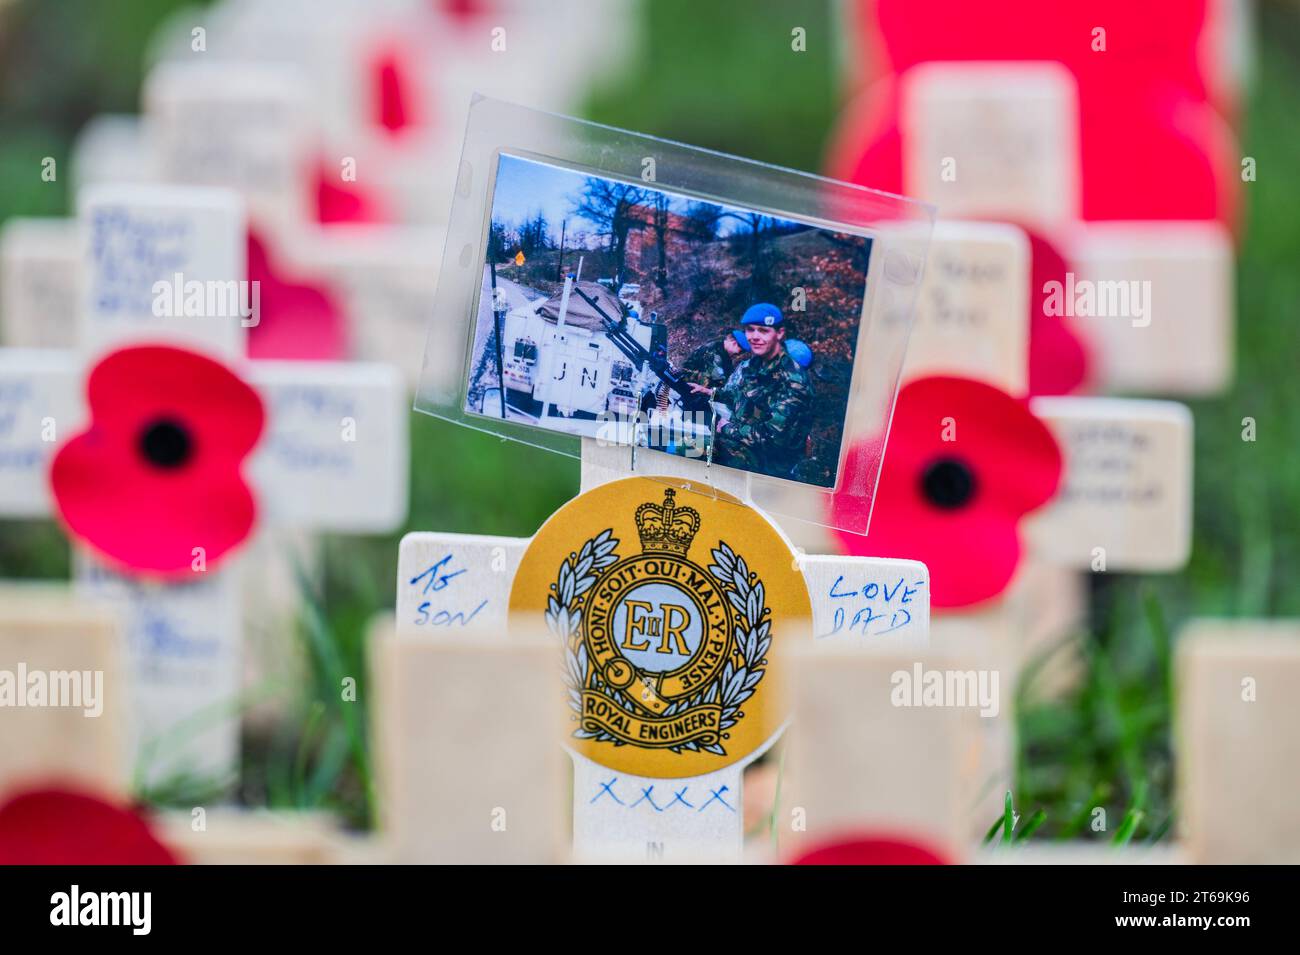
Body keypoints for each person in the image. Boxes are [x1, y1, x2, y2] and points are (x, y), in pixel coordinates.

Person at [689, 302, 813, 479]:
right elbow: (741, 396)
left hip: (763, 461)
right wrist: (710, 392)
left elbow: (770, 437)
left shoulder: (793, 390)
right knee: (685, 437)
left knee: (690, 450)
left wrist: (728, 429)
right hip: (740, 437)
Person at [681, 326, 749, 392]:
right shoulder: (713, 352)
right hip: (687, 387)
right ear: (734, 343)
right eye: (742, 350)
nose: (739, 354)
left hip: (696, 388)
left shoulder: (724, 354)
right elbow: (717, 383)